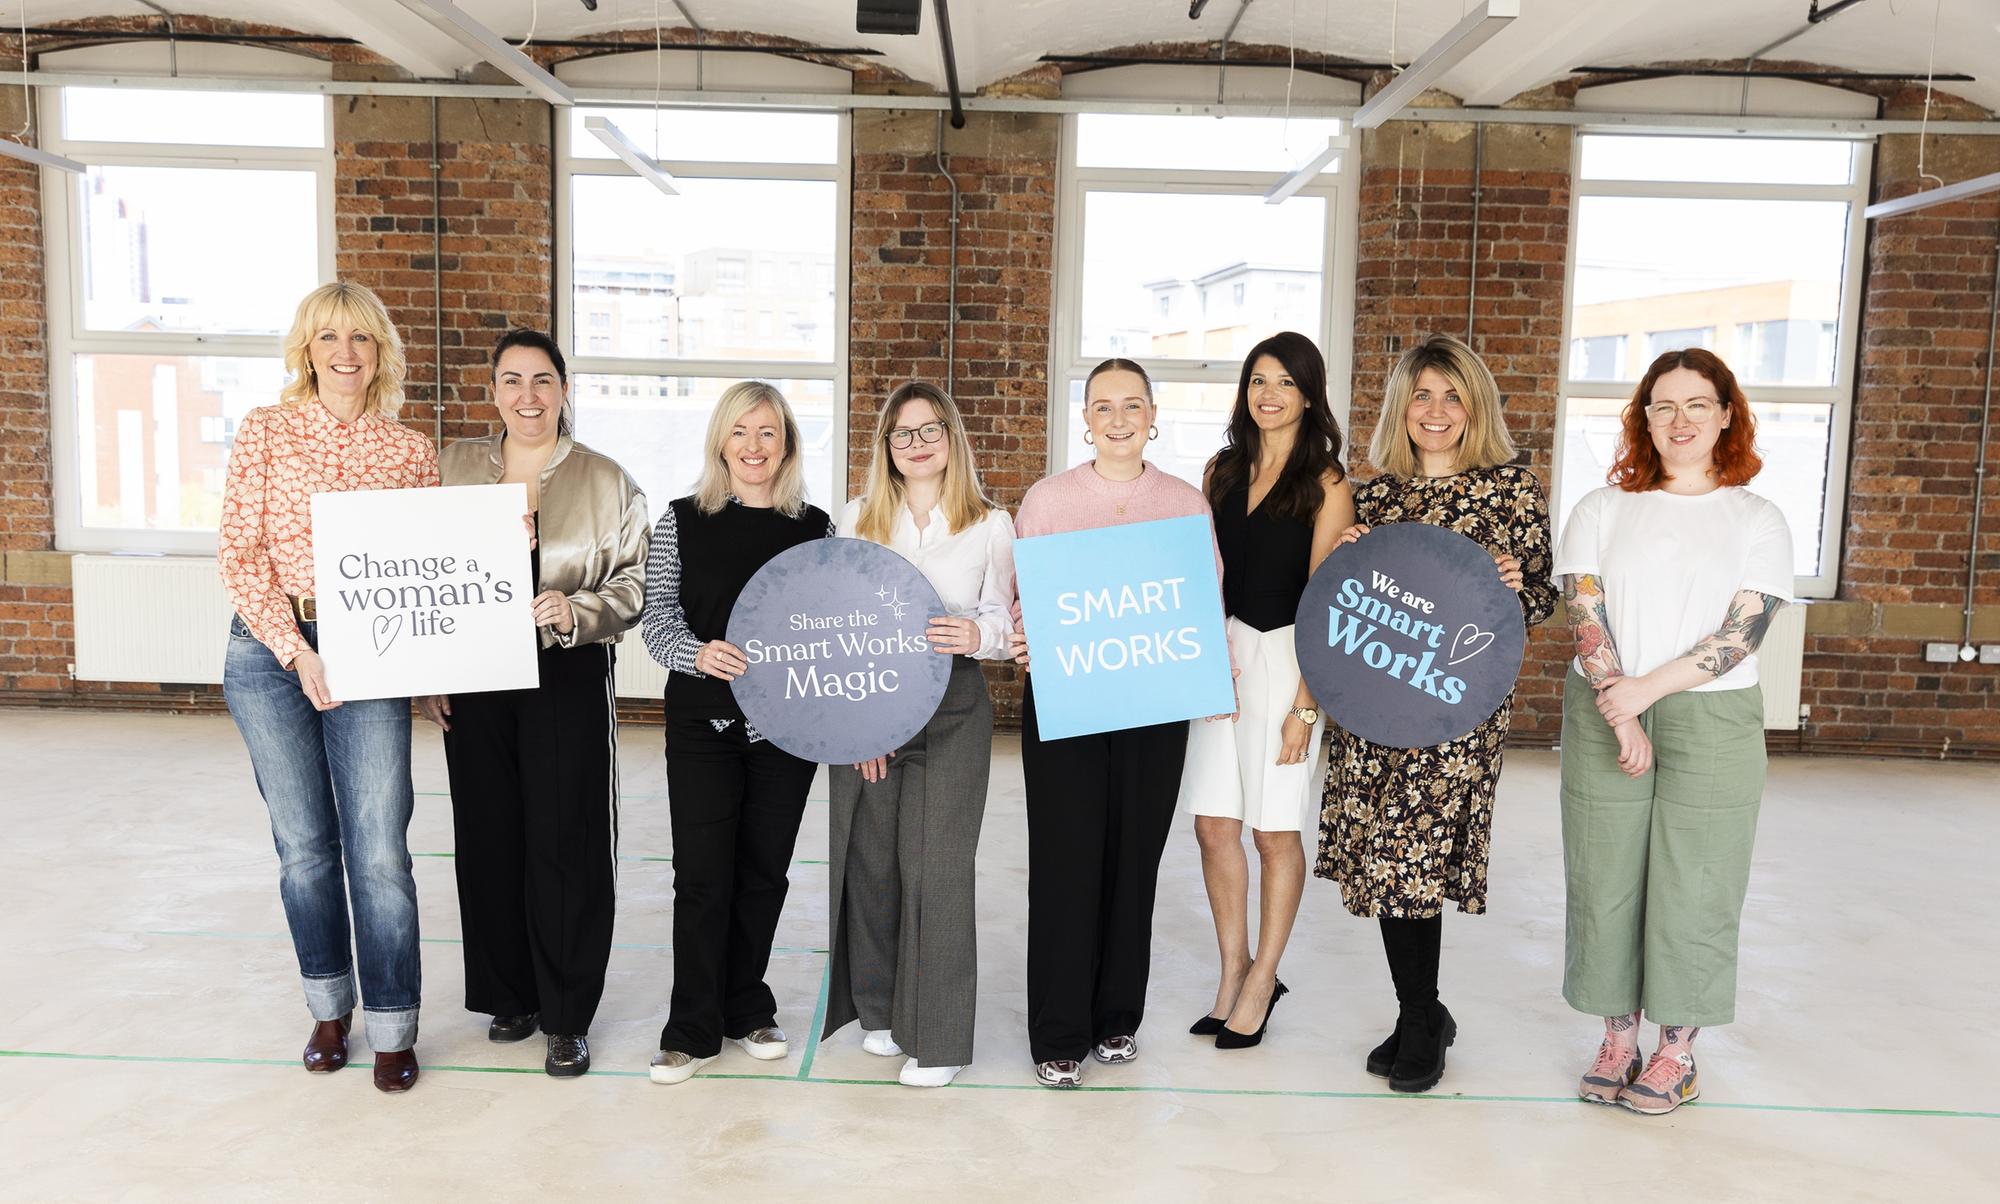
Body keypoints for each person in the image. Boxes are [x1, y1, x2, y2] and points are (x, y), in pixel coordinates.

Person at [1555, 348, 1792, 1117]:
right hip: (1604, 703)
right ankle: (1618, 1040)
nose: (1680, 419)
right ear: (1644, 419)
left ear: (1726, 414)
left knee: (1698, 882)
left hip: (1713, 715)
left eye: (1697, 404)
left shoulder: (1757, 517)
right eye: (1664, 405)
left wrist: (1644, 695)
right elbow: (1585, 611)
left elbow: (1742, 633)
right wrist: (1620, 707)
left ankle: (1676, 1054)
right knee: (1604, 876)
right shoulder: (1601, 508)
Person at [1317, 333, 1556, 1094]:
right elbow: (1346, 602)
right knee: (1390, 860)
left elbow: (1543, 597)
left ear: (1476, 406)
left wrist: (1517, 585)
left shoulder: (1512, 491)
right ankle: (1420, 1011)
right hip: (1379, 703)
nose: (1437, 410)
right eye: (1422, 394)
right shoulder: (1376, 498)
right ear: (1401, 406)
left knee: (1414, 858)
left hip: (1458, 709)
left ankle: (1421, 1018)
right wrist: (1347, 555)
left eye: (1453, 395)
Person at [218, 281, 438, 1093]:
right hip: (269, 653)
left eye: (361, 338)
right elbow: (240, 551)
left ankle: (394, 1025)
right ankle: (328, 1009)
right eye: (328, 338)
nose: (345, 353)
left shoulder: (409, 451)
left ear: (380, 353)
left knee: (379, 850)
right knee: (305, 847)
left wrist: (432, 672)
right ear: (306, 351)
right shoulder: (265, 430)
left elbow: (426, 571)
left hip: (371, 651)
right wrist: (295, 650)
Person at [416, 329, 649, 1078]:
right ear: (492, 391)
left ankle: (567, 1015)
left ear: (564, 389)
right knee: (489, 836)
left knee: (565, 841)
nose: (528, 395)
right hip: (476, 674)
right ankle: (509, 996)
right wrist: (430, 671)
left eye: (542, 380)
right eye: (512, 380)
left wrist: (576, 609)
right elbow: (417, 569)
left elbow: (635, 584)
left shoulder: (606, 480)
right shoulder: (450, 468)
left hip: (566, 673)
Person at [1010, 358, 1229, 1089]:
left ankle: (1115, 1018)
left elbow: (1205, 602)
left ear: (1152, 415)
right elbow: (1021, 597)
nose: (1118, 418)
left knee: (1133, 864)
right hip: (1067, 703)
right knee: (1066, 863)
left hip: (1153, 707)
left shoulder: (1184, 504)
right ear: (1085, 418)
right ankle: (1058, 1033)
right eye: (1103, 405)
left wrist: (1210, 676)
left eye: (1132, 404)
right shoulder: (1047, 500)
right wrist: (1026, 636)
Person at [821, 381, 1016, 1089]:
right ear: (887, 446)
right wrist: (862, 725)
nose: (918, 443)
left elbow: (1004, 621)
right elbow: (835, 623)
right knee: (872, 861)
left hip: (954, 704)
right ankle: (878, 1011)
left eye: (931, 428)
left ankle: (938, 1040)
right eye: (903, 433)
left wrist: (978, 634)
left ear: (952, 436)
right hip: (870, 703)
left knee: (938, 867)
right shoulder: (855, 519)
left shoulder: (991, 524)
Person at [641, 381, 833, 1085]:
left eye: (768, 433)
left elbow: (829, 629)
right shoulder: (681, 520)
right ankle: (690, 1027)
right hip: (705, 724)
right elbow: (656, 618)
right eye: (740, 432)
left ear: (787, 445)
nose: (754, 446)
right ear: (721, 442)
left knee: (763, 873)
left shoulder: (816, 529)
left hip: (786, 729)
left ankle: (746, 1005)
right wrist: (697, 653)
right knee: (701, 876)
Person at [1181, 332, 1354, 1048]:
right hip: (1220, 657)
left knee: (1273, 831)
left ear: (1309, 395)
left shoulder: (1327, 482)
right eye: (1258, 380)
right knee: (1213, 824)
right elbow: (1198, 574)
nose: (1269, 394)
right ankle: (1233, 970)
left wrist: (1305, 708)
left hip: (1287, 660)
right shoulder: (1220, 471)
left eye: (1285, 382)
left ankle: (1264, 978)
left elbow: (1329, 602)